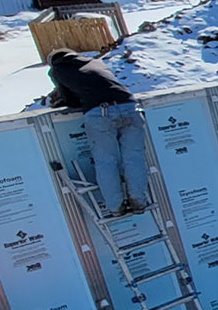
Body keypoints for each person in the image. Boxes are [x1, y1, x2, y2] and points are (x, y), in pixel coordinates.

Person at [47, 49, 149, 217]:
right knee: (134, 158)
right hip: (130, 107)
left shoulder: (57, 69)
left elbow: (70, 99)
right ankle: (139, 201)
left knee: (106, 162)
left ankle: (116, 207)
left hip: (101, 113)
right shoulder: (95, 62)